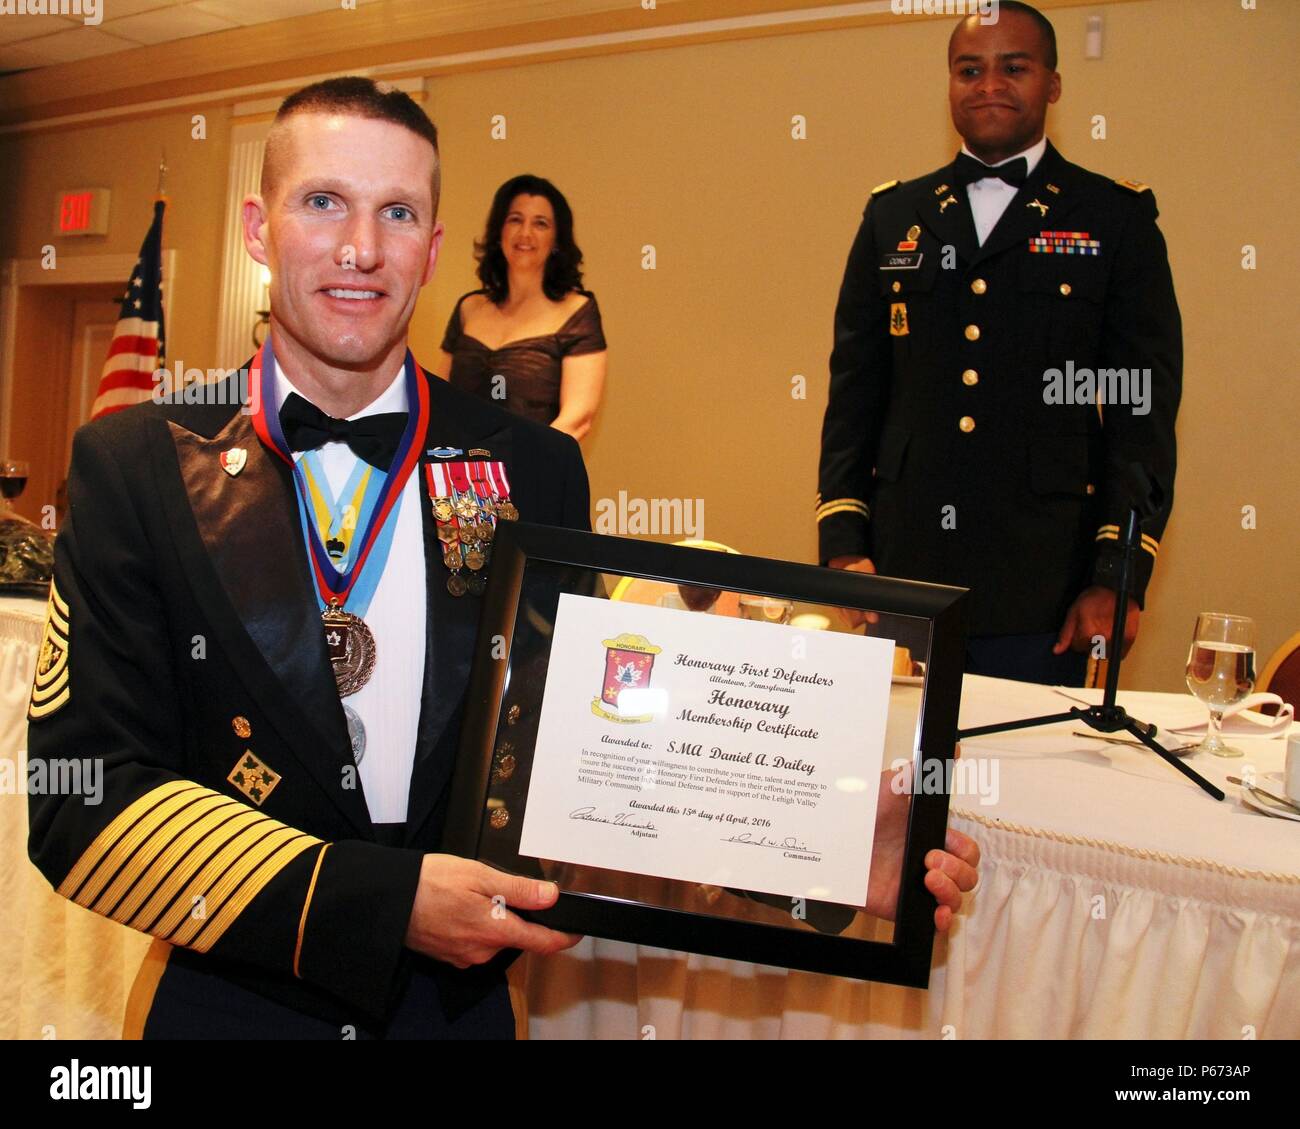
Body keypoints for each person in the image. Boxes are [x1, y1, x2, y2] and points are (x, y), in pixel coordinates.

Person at [26, 78, 977, 1040]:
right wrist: (385, 902)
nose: (361, 248)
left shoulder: (534, 468)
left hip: (458, 1014)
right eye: (323, 202)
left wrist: (817, 844)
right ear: (257, 229)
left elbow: (591, 748)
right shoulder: (136, 465)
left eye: (398, 212)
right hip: (230, 1003)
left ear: (434, 247)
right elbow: (83, 802)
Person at [816, 2, 1181, 685]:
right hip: (904, 575)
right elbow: (856, 393)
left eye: (1014, 68)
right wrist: (843, 541)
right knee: (896, 756)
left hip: (1046, 587)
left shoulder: (1113, 217)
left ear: (1053, 84)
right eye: (969, 70)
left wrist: (1118, 575)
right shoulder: (893, 214)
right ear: (949, 84)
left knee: (1032, 757)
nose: (989, 85)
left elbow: (1141, 414)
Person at [436, 175, 607, 440]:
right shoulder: (469, 307)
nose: (525, 233)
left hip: (536, 463)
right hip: (459, 464)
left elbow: (578, 419)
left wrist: (524, 459)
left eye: (540, 223)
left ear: (556, 240)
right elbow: (439, 400)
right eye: (515, 219)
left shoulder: (577, 312)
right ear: (499, 231)